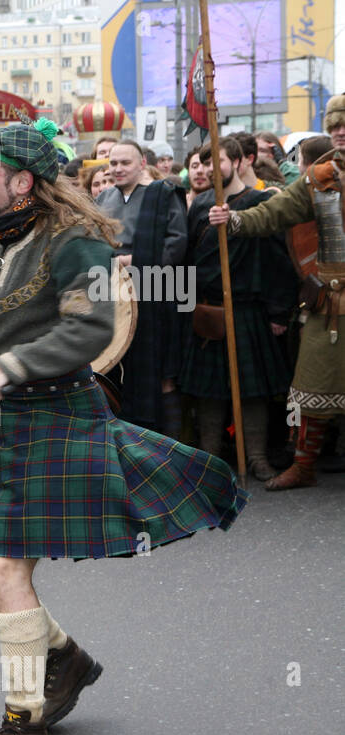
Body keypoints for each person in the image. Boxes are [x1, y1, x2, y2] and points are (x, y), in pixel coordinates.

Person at [0, 119, 247, 735]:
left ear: (23, 181)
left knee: (3, 566)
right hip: (4, 424)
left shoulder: (75, 242)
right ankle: (65, 659)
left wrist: (10, 367)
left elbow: (88, 327)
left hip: (60, 413)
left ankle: (23, 730)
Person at [206, 94, 345, 490]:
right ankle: (303, 465)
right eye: (334, 125)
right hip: (331, 301)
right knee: (308, 387)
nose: (340, 131)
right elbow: (274, 211)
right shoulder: (318, 178)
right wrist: (234, 219)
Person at [181, 136, 295, 481]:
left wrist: (278, 312)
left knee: (252, 391)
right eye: (206, 162)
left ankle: (257, 457)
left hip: (248, 309)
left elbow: (277, 262)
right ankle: (211, 458)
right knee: (209, 392)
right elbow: (187, 260)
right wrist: (185, 304)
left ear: (239, 162)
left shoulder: (261, 202)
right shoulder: (200, 206)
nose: (212, 169)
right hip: (208, 309)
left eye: (219, 161)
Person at [96, 139, 188, 434]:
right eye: (113, 163)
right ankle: (126, 443)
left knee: (161, 374)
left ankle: (169, 446)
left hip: (159, 291)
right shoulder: (103, 198)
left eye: (125, 163)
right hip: (111, 293)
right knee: (117, 372)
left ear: (142, 164)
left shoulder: (164, 195)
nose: (118, 169)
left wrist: (134, 260)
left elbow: (177, 243)